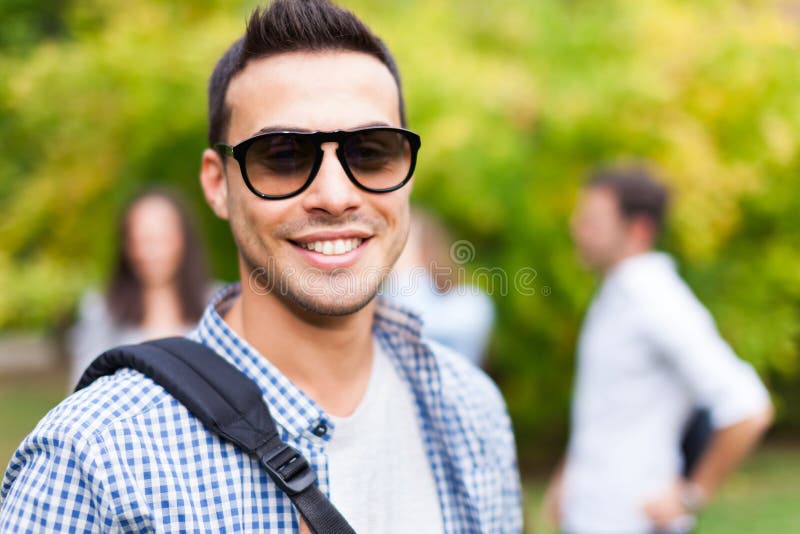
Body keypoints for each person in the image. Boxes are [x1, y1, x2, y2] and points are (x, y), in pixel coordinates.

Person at [0, 1, 522, 532]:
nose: (336, 195)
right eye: (283, 156)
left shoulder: (470, 407)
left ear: (408, 173)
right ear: (216, 184)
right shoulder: (93, 461)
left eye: (371, 152)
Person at [543, 167, 773, 534]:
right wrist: (568, 478)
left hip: (632, 522)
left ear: (639, 230)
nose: (577, 228)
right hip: (590, 515)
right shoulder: (614, 294)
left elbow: (748, 406)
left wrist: (691, 495)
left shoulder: (656, 300)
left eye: (592, 220)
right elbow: (606, 410)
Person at [67, 188, 211, 389]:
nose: (150, 252)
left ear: (184, 240)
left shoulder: (218, 305)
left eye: (161, 239)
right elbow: (81, 386)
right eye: (140, 240)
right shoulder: (101, 308)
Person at [383, 207, 495, 366]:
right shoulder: (388, 298)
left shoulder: (472, 303)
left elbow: (419, 326)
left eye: (404, 242)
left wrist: (408, 272)